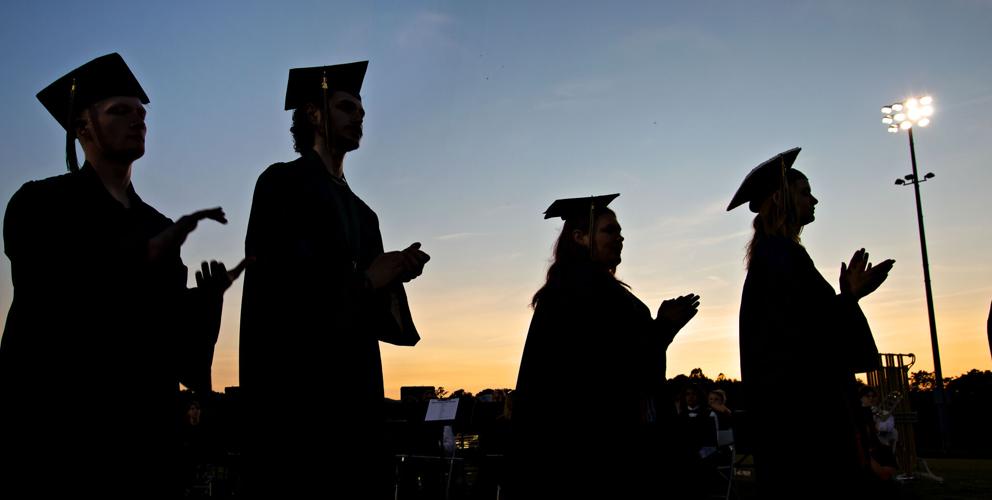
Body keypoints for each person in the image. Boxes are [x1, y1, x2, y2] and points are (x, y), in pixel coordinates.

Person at [0, 53, 242, 498]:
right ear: (82, 126)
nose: (138, 120)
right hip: (63, 445)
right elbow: (51, 310)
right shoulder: (40, 205)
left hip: (146, 454)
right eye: (120, 111)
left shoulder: (159, 225)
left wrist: (205, 309)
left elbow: (184, 364)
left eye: (141, 112)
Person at [239, 60, 430, 498]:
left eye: (361, 110)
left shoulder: (365, 214)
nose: (358, 116)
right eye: (346, 107)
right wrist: (365, 280)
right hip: (299, 390)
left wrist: (394, 275)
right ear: (314, 114)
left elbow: (376, 313)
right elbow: (279, 289)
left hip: (355, 385)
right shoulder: (282, 184)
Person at [727, 148, 895, 498]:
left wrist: (849, 297)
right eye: (805, 192)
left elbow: (808, 324)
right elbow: (811, 338)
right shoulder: (780, 257)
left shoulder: (776, 255)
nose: (814, 199)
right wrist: (848, 299)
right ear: (780, 197)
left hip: (794, 416)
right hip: (804, 421)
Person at [508, 194, 700, 499]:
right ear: (580, 237)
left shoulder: (592, 289)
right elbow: (608, 368)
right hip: (593, 446)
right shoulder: (577, 292)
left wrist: (661, 327)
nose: (620, 237)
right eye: (610, 230)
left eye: (620, 231)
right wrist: (664, 326)